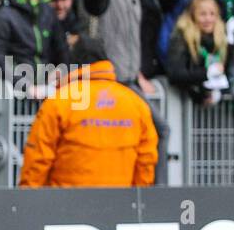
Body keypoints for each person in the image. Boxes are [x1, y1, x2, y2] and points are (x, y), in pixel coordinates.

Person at [20, 36, 158, 186]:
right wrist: (136, 201)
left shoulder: (59, 102)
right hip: (120, 205)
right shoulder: (136, 104)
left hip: (65, 205)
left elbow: (38, 159)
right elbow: (146, 161)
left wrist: (28, 201)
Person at [166, 0, 234, 105]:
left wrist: (231, 42)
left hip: (211, 105)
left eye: (212, 14)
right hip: (184, 103)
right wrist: (206, 73)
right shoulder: (182, 38)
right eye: (202, 14)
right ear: (193, 16)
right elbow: (176, 73)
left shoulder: (221, 37)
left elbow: (226, 69)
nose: (208, 19)